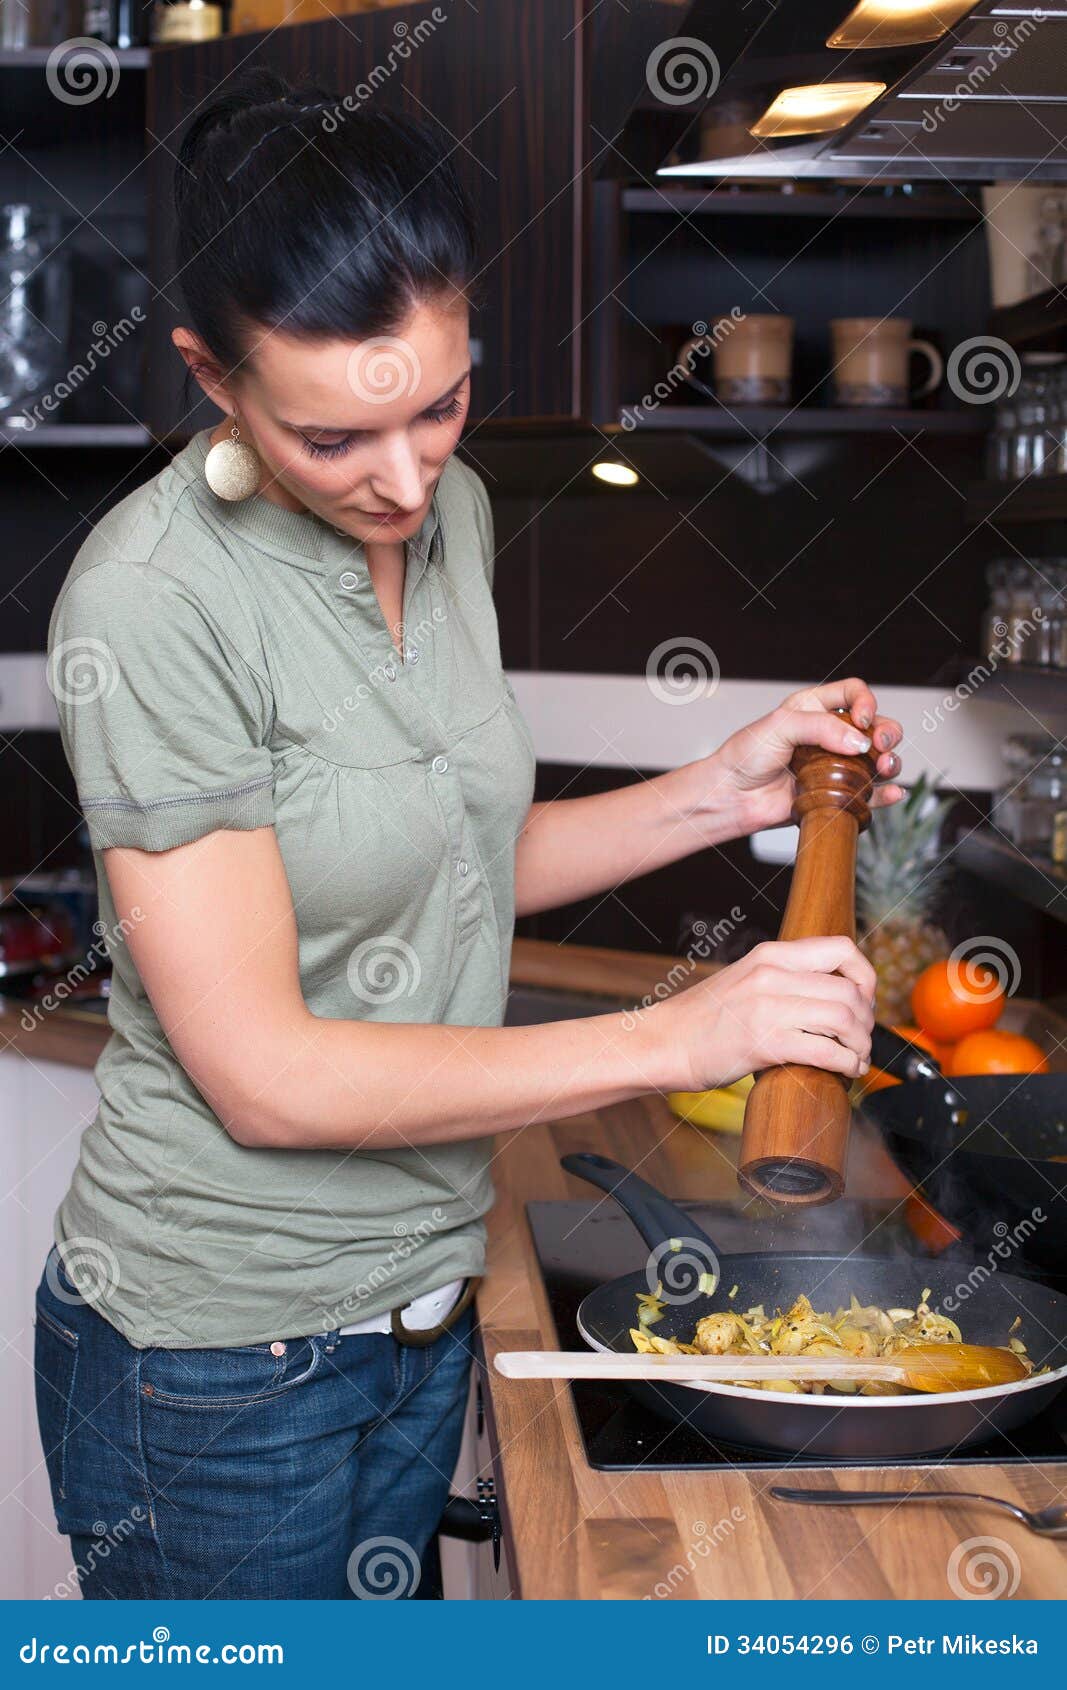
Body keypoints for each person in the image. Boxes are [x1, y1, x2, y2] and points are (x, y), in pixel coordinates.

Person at [35, 67, 904, 1600]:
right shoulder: (153, 601)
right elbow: (267, 1075)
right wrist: (678, 1033)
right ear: (211, 376)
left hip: (422, 1309)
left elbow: (447, 864)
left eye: (438, 404)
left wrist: (724, 788)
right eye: (333, 437)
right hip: (221, 1365)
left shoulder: (456, 515)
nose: (403, 477)